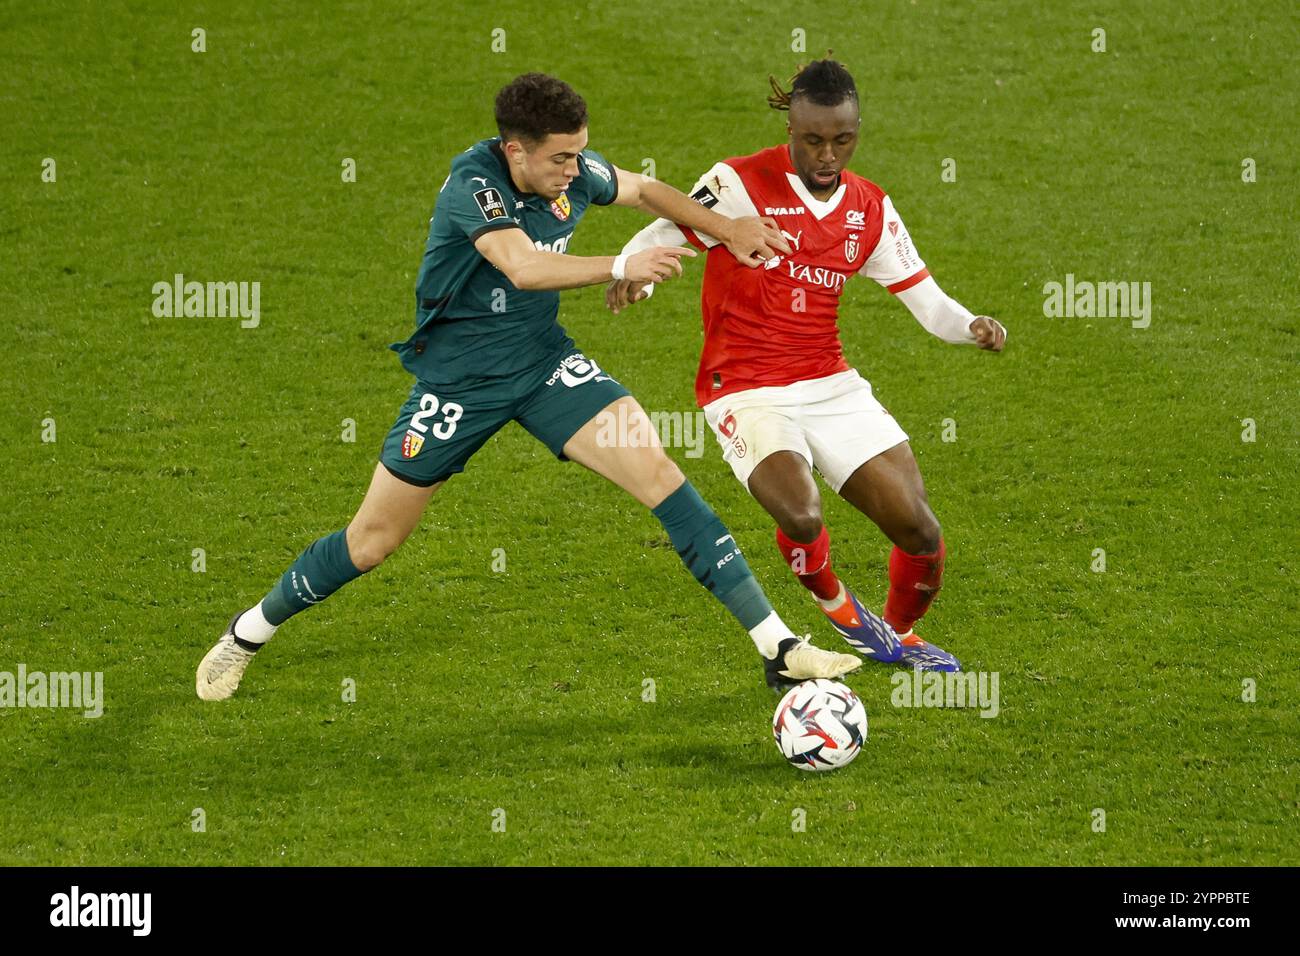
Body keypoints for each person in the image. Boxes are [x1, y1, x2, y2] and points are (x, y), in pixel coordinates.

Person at [196, 72, 867, 701]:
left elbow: (641, 189)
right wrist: (623, 262)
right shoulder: (475, 188)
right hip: (460, 383)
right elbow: (519, 267)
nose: (576, 172)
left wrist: (726, 228)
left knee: (662, 476)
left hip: (544, 365)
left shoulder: (569, 168)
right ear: (514, 151)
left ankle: (777, 646)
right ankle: (249, 630)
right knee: (371, 542)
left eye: (579, 155)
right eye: (560, 159)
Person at [608, 59, 1008, 672]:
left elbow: (928, 302)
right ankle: (842, 611)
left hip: (831, 383)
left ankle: (892, 637)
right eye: (813, 140)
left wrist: (971, 325)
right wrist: (638, 278)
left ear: (856, 131)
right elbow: (664, 232)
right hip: (744, 387)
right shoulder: (738, 182)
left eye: (842, 140)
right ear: (790, 129)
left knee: (922, 534)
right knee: (800, 512)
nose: (827, 154)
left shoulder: (869, 208)